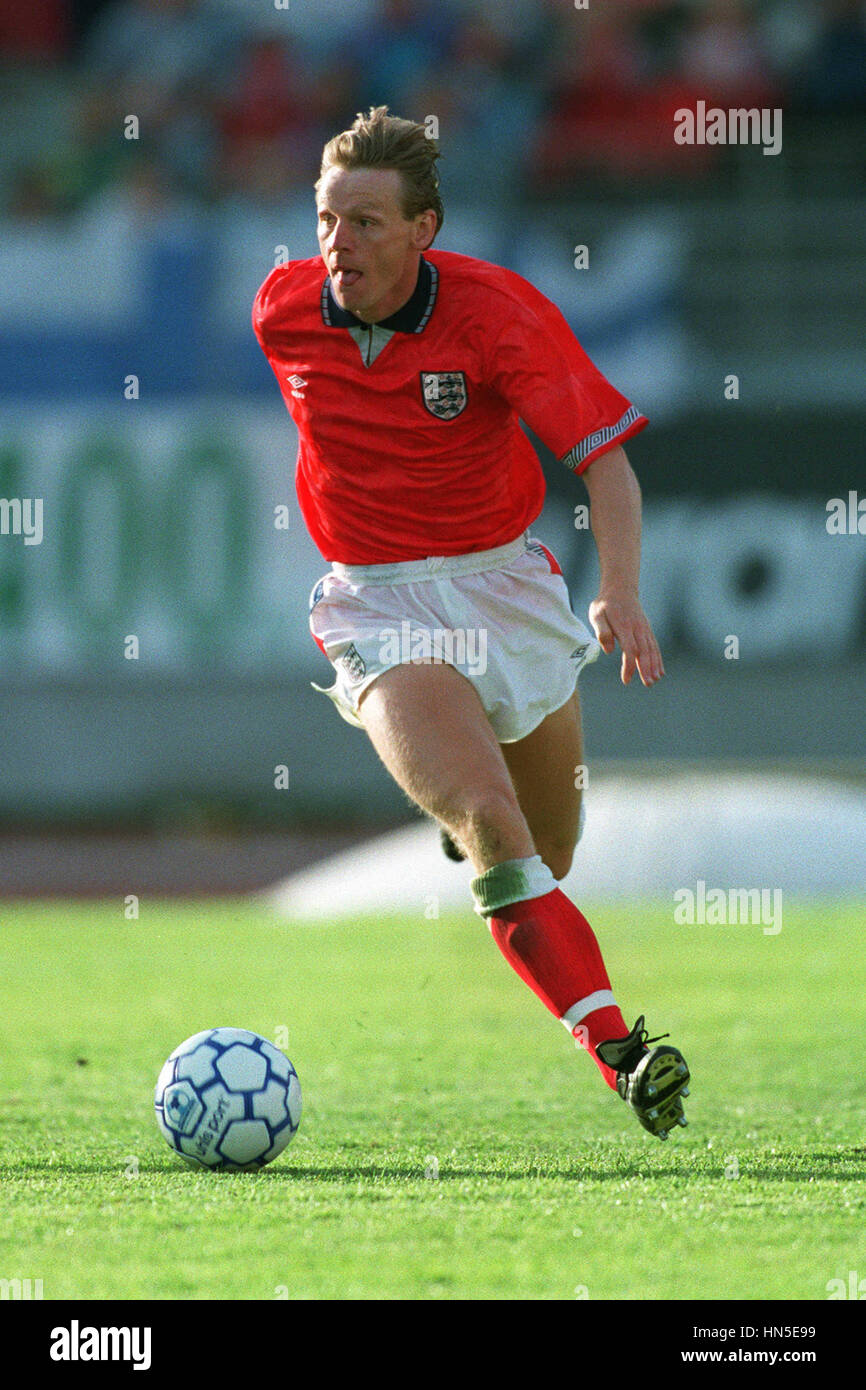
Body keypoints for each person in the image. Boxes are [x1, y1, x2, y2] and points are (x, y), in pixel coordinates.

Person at [253, 106, 690, 1139]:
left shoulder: (498, 315)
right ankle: (621, 1052)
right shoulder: (282, 311)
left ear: (423, 230)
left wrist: (618, 591)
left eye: (364, 221)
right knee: (492, 823)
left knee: (550, 851)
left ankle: (478, 831)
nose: (335, 244)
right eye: (324, 218)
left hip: (504, 588)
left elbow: (605, 463)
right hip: (374, 599)